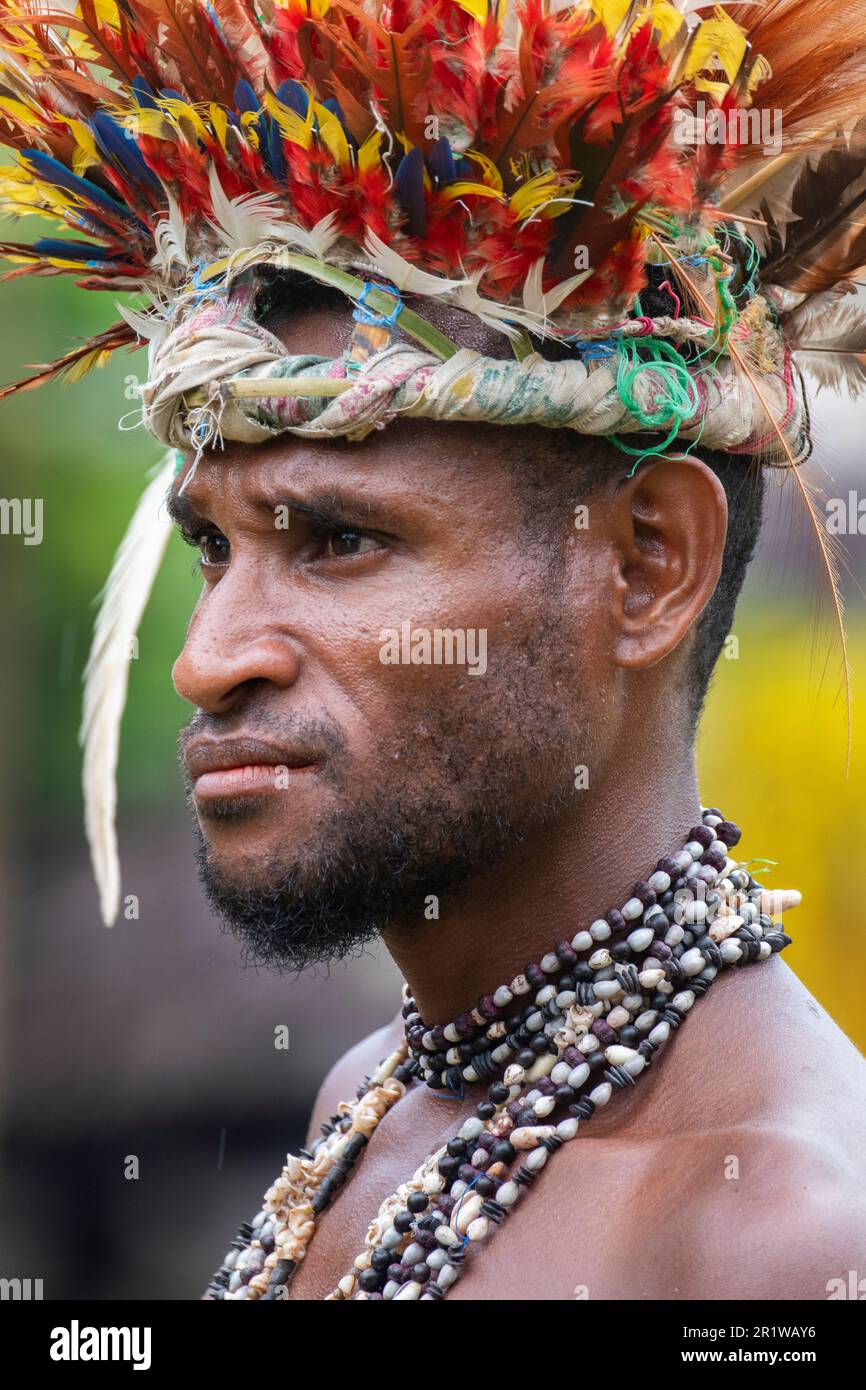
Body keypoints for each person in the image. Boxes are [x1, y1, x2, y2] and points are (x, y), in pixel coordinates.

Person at [1, 0, 865, 1301]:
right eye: (214, 550)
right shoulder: (373, 1097)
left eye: (339, 541)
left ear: (643, 566)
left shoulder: (781, 1242)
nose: (208, 658)